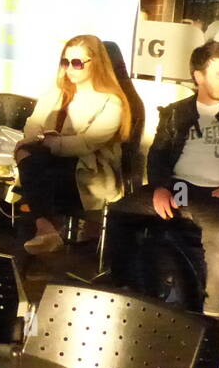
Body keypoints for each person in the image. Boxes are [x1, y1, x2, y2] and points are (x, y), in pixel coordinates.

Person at [108, 41, 219, 317]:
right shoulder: (177, 112)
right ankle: (128, 291)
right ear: (199, 77)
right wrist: (160, 188)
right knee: (120, 213)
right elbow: (159, 154)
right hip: (180, 187)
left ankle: (212, 315)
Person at [14, 34, 133, 254]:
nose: (70, 68)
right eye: (65, 61)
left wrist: (49, 142)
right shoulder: (56, 93)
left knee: (32, 180)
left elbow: (87, 143)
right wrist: (41, 140)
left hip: (87, 172)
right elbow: (33, 124)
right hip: (47, 167)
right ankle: (44, 229)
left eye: (77, 63)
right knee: (28, 156)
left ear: (95, 63)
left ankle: (42, 230)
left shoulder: (110, 101)